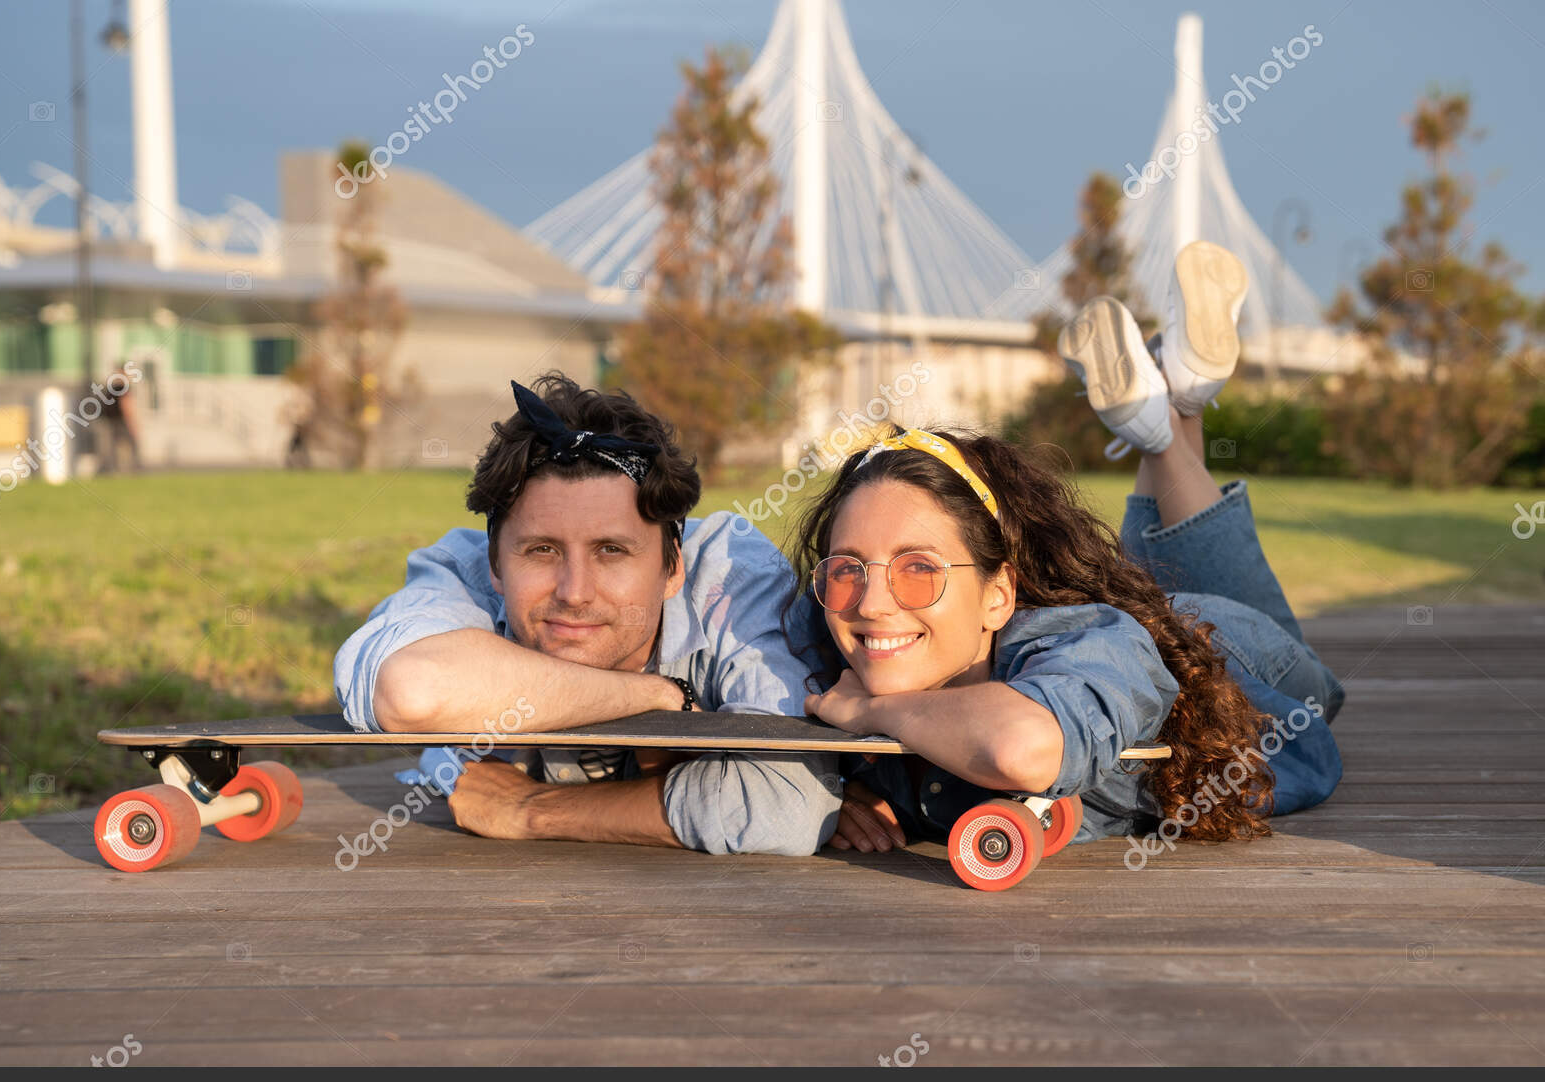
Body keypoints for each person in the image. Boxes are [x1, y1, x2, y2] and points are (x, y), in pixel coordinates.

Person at [792, 241, 1344, 855]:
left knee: (1305, 678)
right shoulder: (819, 622)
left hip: (1226, 650)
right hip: (1144, 622)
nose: (870, 604)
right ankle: (1170, 402)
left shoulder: (1092, 648)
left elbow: (1022, 749)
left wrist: (874, 715)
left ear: (998, 595)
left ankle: (1167, 416)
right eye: (847, 569)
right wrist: (837, 792)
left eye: (918, 568)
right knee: (1148, 586)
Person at [334, 372, 841, 856]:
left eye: (611, 551)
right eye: (541, 551)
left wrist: (535, 810)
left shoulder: (729, 576)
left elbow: (790, 805)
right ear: (492, 563)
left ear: (672, 566)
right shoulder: (459, 570)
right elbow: (412, 690)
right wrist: (659, 697)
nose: (574, 593)